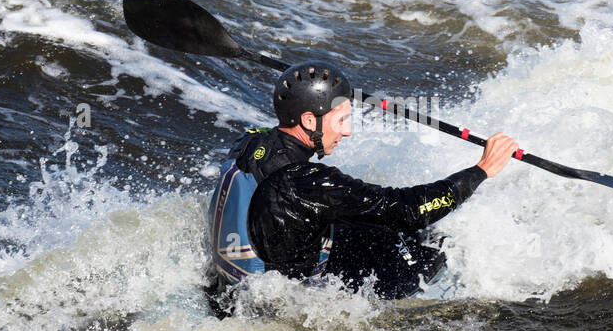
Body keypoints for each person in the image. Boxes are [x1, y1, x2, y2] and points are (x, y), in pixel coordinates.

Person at [207, 60, 519, 303]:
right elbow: (409, 211)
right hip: (282, 294)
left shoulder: (249, 143)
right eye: (340, 120)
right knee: (432, 246)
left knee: (368, 220)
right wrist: (481, 170)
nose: (347, 131)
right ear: (307, 120)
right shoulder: (309, 184)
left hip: (235, 286)